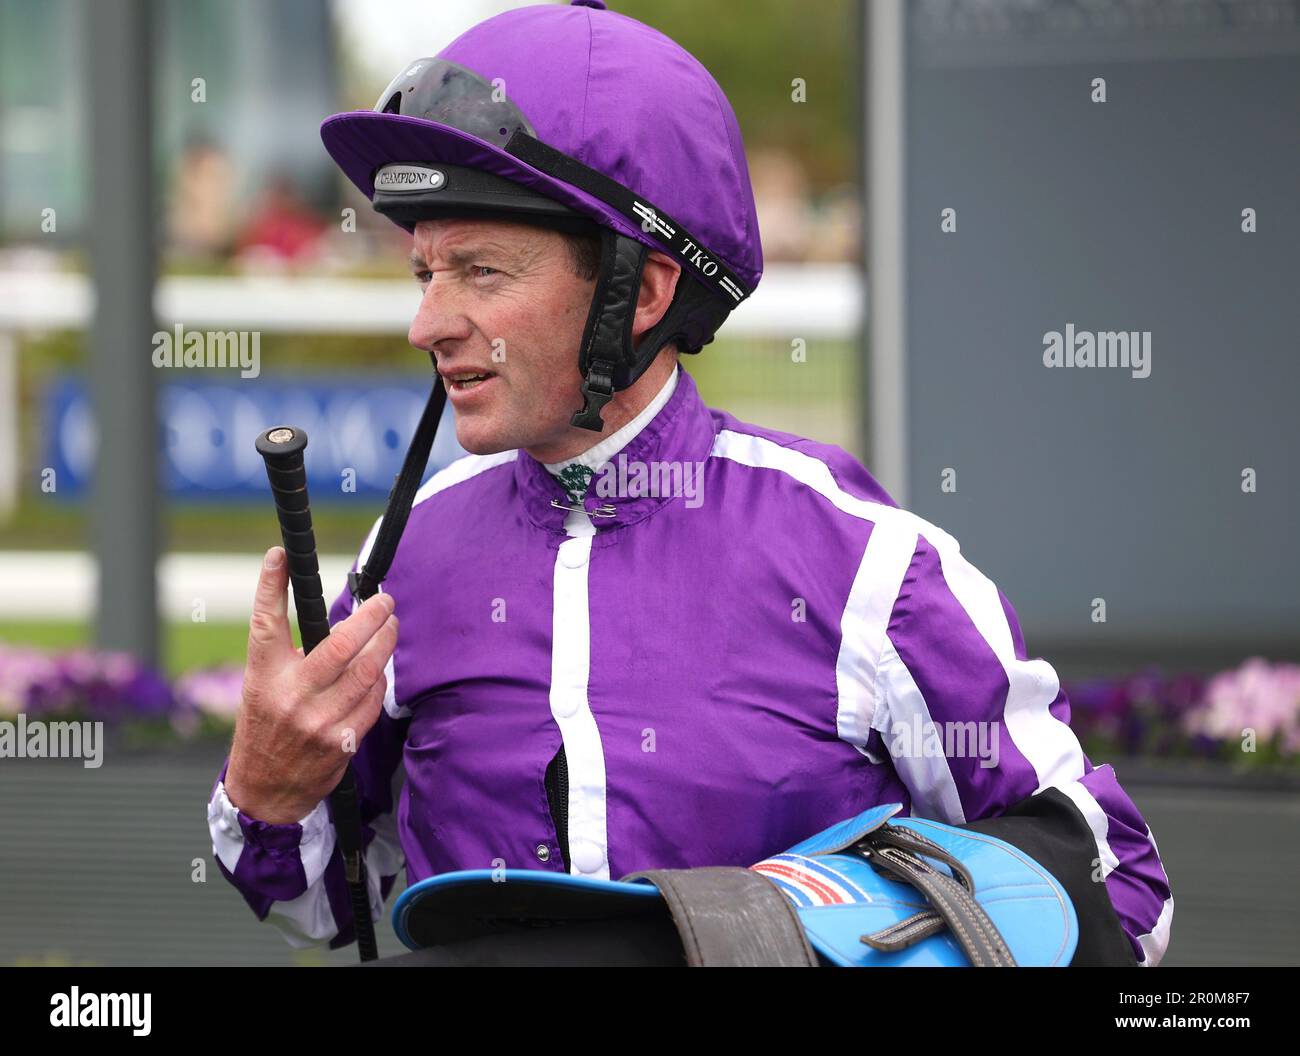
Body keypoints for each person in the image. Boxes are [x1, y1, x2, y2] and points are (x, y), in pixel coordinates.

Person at [209, 0, 1171, 966]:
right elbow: (324, 910)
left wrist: (796, 930)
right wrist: (267, 792)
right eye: (424, 272)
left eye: (482, 271)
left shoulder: (865, 562)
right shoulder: (408, 554)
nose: (429, 323)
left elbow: (1117, 887)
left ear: (646, 291)